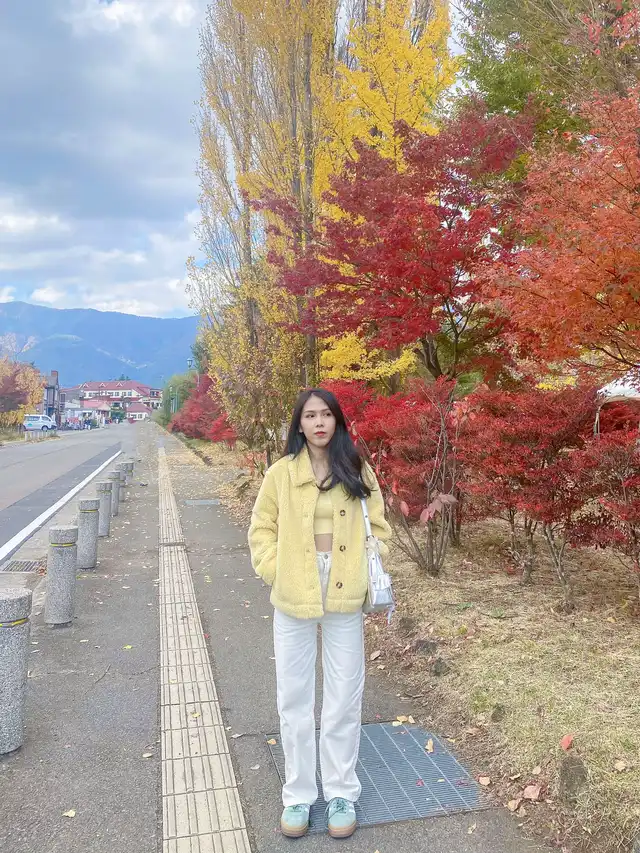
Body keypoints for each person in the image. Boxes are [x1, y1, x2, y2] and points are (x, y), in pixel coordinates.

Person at [248, 388, 391, 839]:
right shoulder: (281, 473)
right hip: (295, 588)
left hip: (345, 586)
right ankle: (297, 795)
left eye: (326, 414)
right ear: (299, 424)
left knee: (344, 695)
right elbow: (261, 529)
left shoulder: (356, 467)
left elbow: (379, 526)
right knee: (294, 697)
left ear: (337, 421)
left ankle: (341, 791)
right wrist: (276, 570)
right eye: (310, 416)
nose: (318, 423)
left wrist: (370, 565)